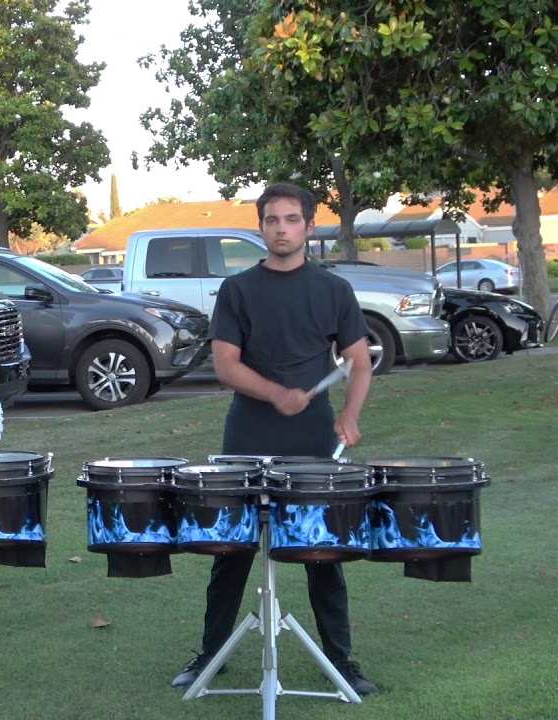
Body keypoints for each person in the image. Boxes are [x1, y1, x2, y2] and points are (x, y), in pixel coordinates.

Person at [170, 182, 379, 696]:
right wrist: (277, 394)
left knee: (321, 552)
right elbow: (226, 365)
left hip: (312, 439)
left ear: (309, 226)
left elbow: (358, 361)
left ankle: (342, 662)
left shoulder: (332, 290)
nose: (281, 229)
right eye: (271, 220)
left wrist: (350, 414)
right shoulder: (238, 290)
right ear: (261, 226)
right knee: (232, 551)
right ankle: (210, 657)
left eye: (290, 219)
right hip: (248, 434)